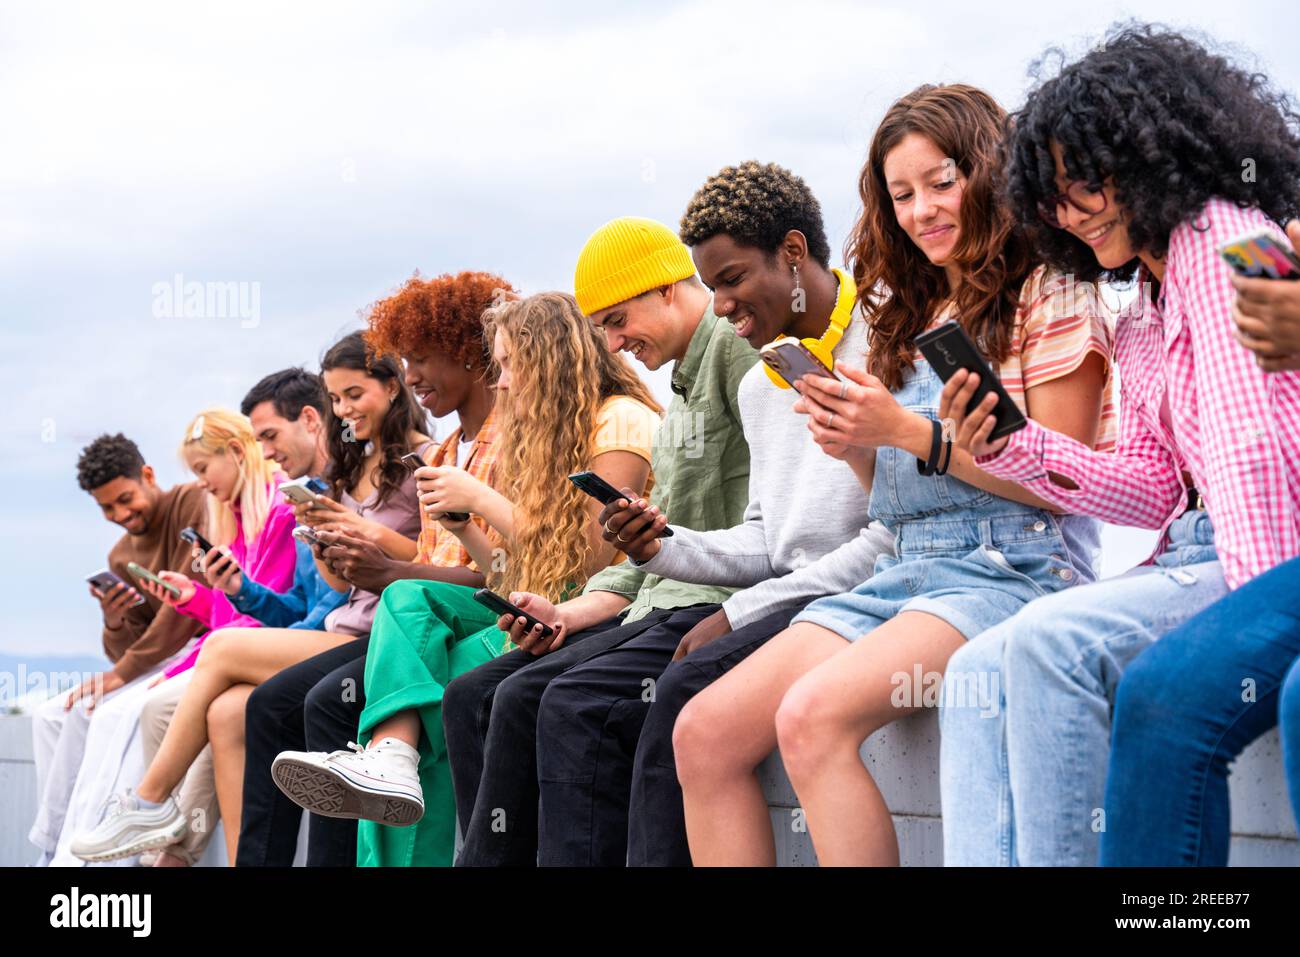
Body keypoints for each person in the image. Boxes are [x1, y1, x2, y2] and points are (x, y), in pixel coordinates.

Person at [674, 87, 1115, 866]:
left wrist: (909, 432)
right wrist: (853, 439)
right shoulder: (906, 304)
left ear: (990, 173)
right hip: (907, 567)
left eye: (941, 182)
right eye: (901, 194)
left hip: (1012, 566)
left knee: (811, 717)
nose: (921, 211)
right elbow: (895, 490)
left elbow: (1069, 481)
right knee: (703, 732)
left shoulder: (1051, 291)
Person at [938, 25, 1300, 867]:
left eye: (1089, 180)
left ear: (1156, 154)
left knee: (1053, 642)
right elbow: (1151, 487)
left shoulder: (1231, 238)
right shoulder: (1138, 297)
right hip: (1199, 546)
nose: (1072, 210)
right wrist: (1018, 447)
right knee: (977, 666)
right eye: (1054, 195)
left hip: (1263, 554)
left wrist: (1261, 611)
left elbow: (1256, 449)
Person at [273, 291, 662, 867]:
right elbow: (516, 570)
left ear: (547, 360)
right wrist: (467, 530)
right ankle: (389, 759)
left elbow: (596, 557)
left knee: (423, 703)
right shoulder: (543, 434)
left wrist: (482, 499)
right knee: (406, 620)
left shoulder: (620, 419)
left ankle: (391, 764)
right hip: (533, 600)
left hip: (592, 613)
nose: (500, 382)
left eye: (509, 365)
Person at [445, 215, 758, 867]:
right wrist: (564, 614)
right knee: (476, 692)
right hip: (658, 603)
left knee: (561, 700)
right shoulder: (680, 384)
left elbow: (761, 533)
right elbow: (632, 570)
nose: (612, 343)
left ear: (666, 290)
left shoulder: (736, 355)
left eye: (618, 320)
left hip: (711, 601)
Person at [72, 330, 435, 863]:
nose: (343, 410)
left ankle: (151, 806)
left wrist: (347, 532)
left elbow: (429, 562)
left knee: (219, 656)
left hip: (372, 634)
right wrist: (311, 550)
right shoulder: (340, 480)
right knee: (227, 712)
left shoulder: (419, 463)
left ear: (391, 387)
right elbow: (336, 588)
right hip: (339, 628)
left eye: (352, 396)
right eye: (337, 399)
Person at [236, 271, 513, 867]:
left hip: (453, 618)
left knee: (333, 703)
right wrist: (352, 557)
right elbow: (433, 563)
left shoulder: (496, 444)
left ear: (468, 352)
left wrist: (383, 565)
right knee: (286, 705)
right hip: (410, 615)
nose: (413, 376)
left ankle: (388, 770)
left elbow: (499, 574)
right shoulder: (441, 453)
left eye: (420, 359)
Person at [131, 368, 346, 867]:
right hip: (294, 639)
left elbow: (322, 613)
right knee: (217, 707)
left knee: (210, 672)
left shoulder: (291, 507)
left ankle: (153, 816)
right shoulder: (297, 499)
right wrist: (231, 590)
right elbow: (292, 605)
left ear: (311, 421)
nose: (266, 452)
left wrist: (253, 621)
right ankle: (192, 850)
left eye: (268, 437)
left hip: (323, 643)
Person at [29, 434, 206, 865]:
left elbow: (182, 614)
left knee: (108, 712)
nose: (121, 514)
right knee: (52, 715)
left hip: (201, 644)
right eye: (107, 508)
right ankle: (54, 846)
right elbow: (134, 643)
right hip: (157, 658)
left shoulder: (190, 503)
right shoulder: (120, 554)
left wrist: (123, 673)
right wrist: (114, 620)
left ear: (148, 476)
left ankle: (92, 856)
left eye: (126, 499)